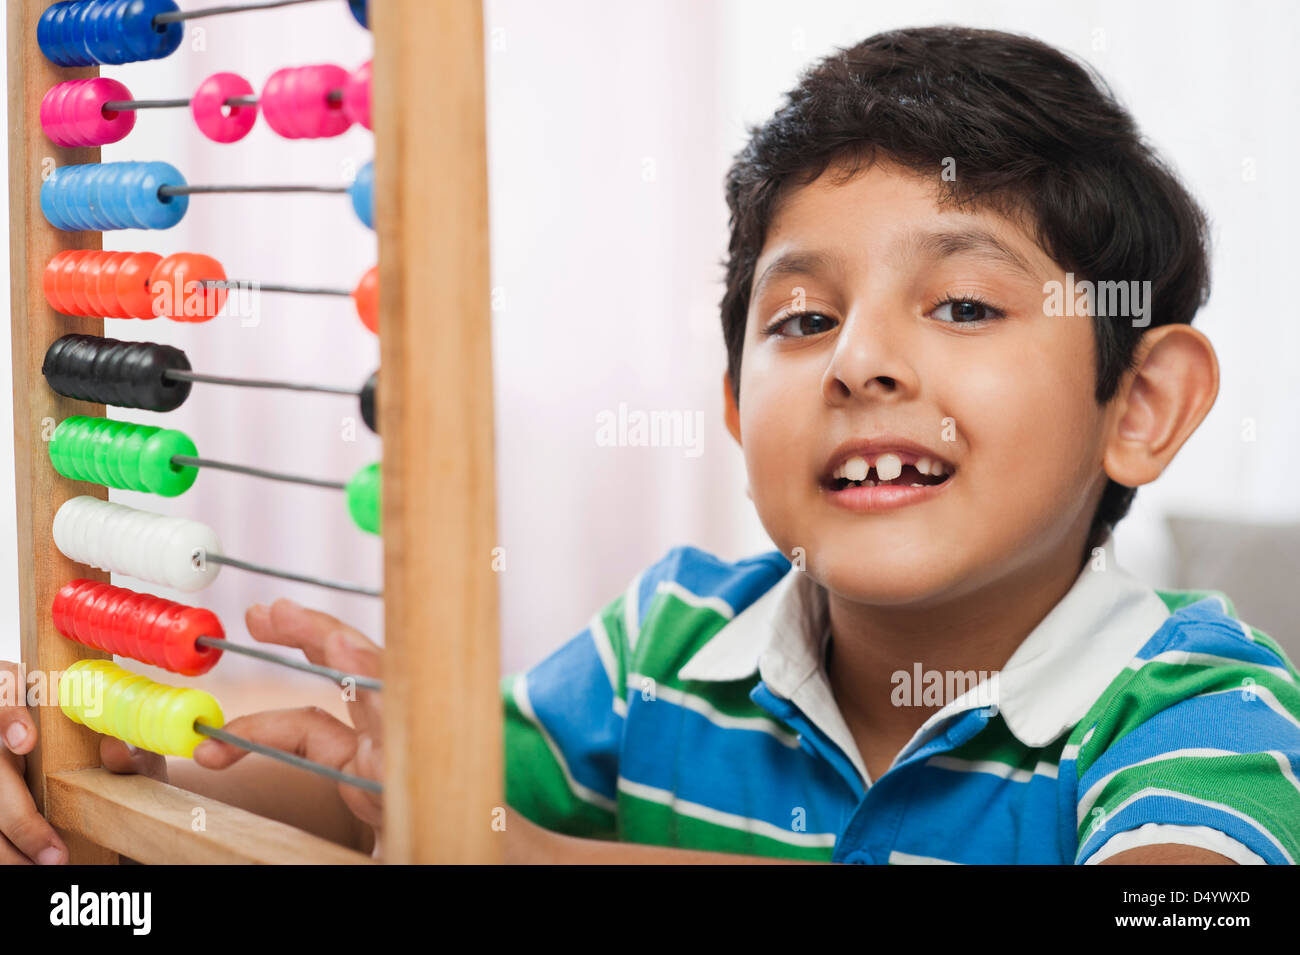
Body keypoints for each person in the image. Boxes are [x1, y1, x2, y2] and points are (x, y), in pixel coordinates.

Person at [5, 24, 1298, 864]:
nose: (860, 361)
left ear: (1139, 406)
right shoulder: (667, 645)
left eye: (964, 303)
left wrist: (515, 851)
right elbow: (380, 793)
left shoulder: (1203, 708)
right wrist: (99, 743)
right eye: (802, 319)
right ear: (737, 408)